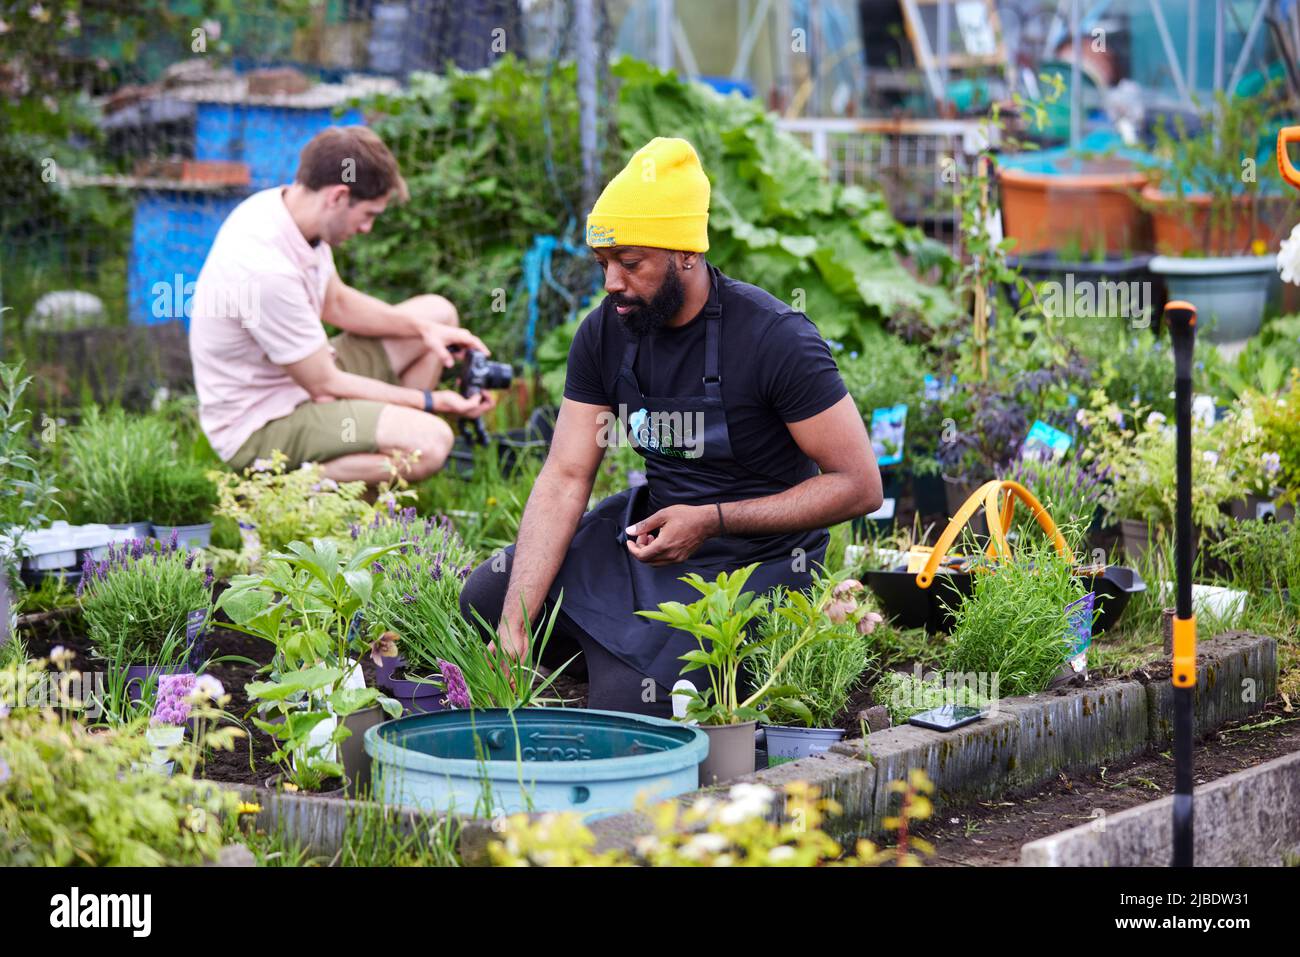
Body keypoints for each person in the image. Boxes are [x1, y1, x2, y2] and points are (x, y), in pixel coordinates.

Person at [459, 137, 881, 717]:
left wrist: (713, 520)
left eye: (631, 264)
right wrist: (514, 628)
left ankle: (645, 669)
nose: (611, 283)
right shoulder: (606, 330)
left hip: (758, 559)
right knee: (486, 599)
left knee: (631, 705)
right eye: (604, 264)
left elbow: (860, 485)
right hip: (657, 537)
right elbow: (565, 473)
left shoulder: (775, 338)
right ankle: (615, 656)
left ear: (686, 253)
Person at [189, 125, 497, 484]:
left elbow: (336, 303)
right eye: (368, 215)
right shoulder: (264, 269)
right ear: (338, 196)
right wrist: (433, 402)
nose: (367, 228)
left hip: (305, 376)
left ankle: (381, 479)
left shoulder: (289, 212)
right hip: (262, 424)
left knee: (437, 315)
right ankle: (271, 492)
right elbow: (325, 384)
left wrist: (425, 331)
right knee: (430, 442)